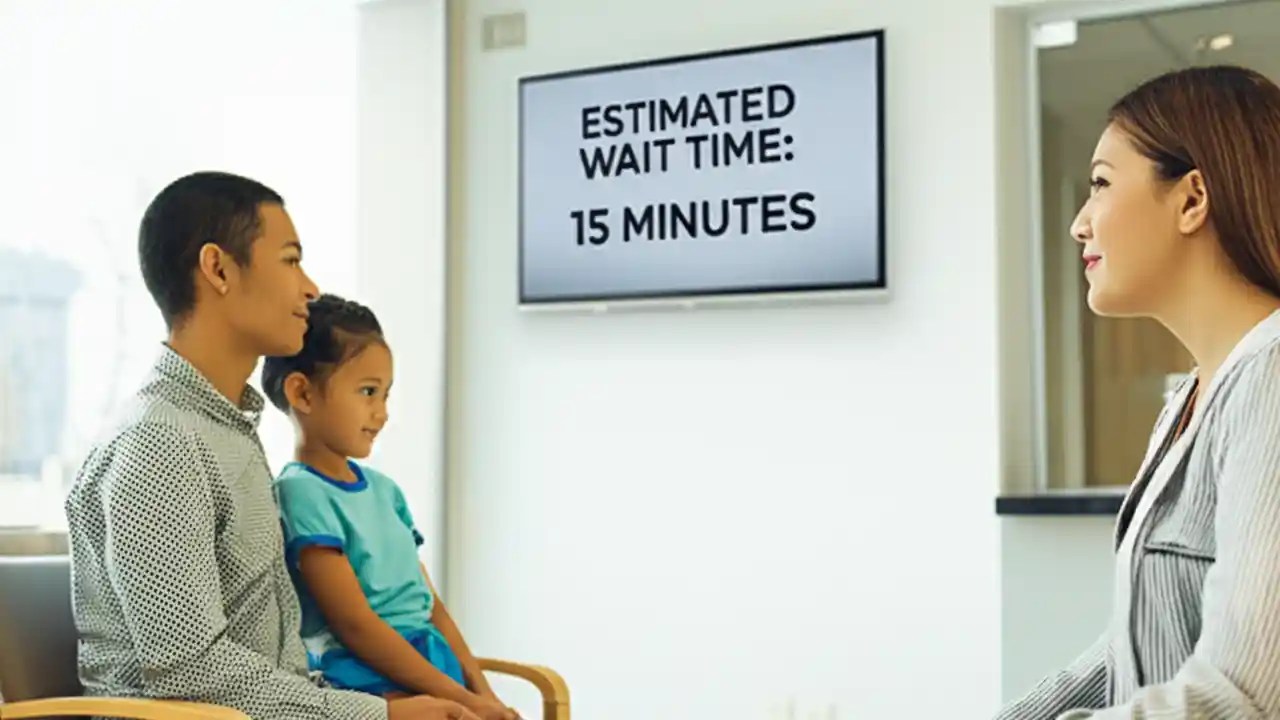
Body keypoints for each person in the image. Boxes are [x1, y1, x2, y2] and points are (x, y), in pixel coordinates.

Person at [64, 172, 479, 720]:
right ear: (218, 269)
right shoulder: (159, 441)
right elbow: (189, 673)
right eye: (290, 260)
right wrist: (380, 715)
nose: (309, 288)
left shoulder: (223, 428)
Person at [997, 66, 1280, 719]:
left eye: (1099, 184)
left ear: (1192, 199)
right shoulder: (1190, 400)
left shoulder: (1270, 379)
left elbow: (1244, 698)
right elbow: (1128, 650)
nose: (1079, 225)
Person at [260, 294, 520, 720]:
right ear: (302, 393)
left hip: (429, 666)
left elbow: (430, 606)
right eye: (367, 392)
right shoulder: (301, 493)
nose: (381, 413)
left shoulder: (386, 492)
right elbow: (356, 627)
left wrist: (485, 696)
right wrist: (465, 702)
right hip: (362, 678)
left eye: (385, 394)